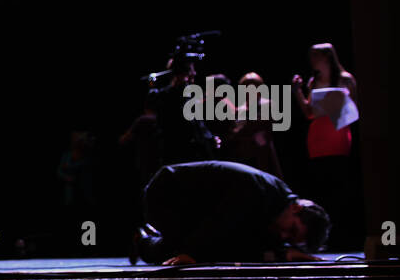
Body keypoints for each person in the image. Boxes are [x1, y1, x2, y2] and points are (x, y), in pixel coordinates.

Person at [133, 160, 330, 265]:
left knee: (226, 246)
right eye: (292, 231)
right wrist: (191, 252)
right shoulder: (258, 192)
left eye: (290, 239)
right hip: (166, 196)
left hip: (193, 208)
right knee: (214, 248)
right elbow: (220, 223)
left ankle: (144, 242)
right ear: (296, 208)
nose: (284, 236)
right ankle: (146, 243)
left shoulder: (276, 204)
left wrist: (285, 252)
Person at [293, 42, 359, 250]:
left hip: (337, 133)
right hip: (317, 136)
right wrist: (298, 91)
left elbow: (355, 109)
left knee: (340, 186)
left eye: (316, 56)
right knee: (321, 188)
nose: (312, 61)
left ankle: (344, 237)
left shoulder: (345, 79)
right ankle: (324, 239)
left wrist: (339, 103)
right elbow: (308, 113)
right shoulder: (313, 82)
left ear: (327, 57)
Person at [151, 56, 219, 166]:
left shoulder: (189, 94)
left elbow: (198, 124)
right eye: (191, 70)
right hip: (179, 156)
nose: (195, 73)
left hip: (194, 155)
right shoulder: (165, 97)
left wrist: (209, 139)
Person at [223, 71, 284, 179]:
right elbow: (232, 133)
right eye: (245, 87)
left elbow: (255, 125)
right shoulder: (240, 110)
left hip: (263, 158)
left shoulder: (267, 104)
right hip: (244, 157)